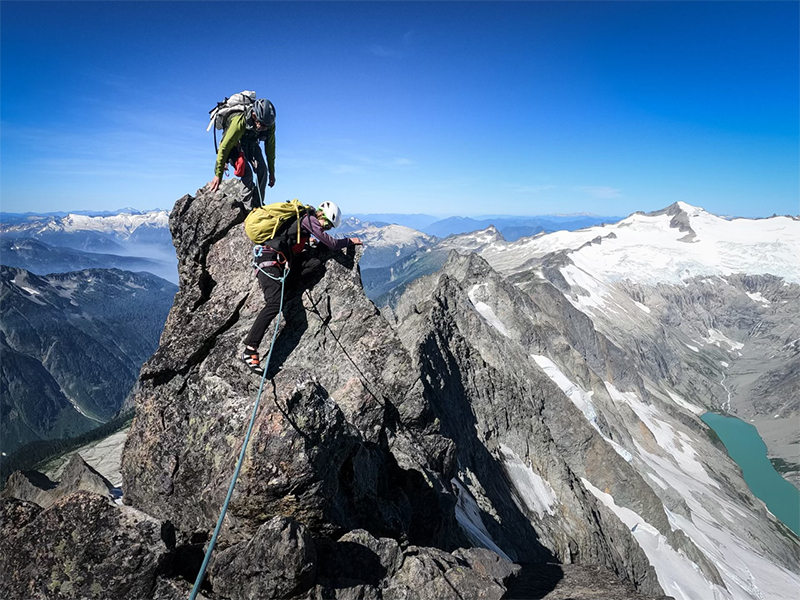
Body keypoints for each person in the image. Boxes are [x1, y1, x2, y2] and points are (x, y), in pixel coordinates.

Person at [241, 200, 362, 374]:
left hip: (279, 261)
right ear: (323, 216)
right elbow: (332, 244)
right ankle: (250, 349)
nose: (325, 229)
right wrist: (350, 241)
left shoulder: (305, 220)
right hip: (269, 262)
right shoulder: (310, 219)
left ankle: (286, 286)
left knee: (314, 263)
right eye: (326, 225)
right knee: (275, 303)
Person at [208, 98, 276, 209]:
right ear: (254, 116)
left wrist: (272, 172)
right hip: (234, 145)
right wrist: (218, 174)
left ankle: (258, 204)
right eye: (263, 125)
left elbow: (270, 148)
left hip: (251, 143)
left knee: (263, 170)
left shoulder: (269, 123)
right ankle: (248, 208)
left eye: (267, 126)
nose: (265, 128)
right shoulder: (238, 123)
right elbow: (224, 147)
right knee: (246, 172)